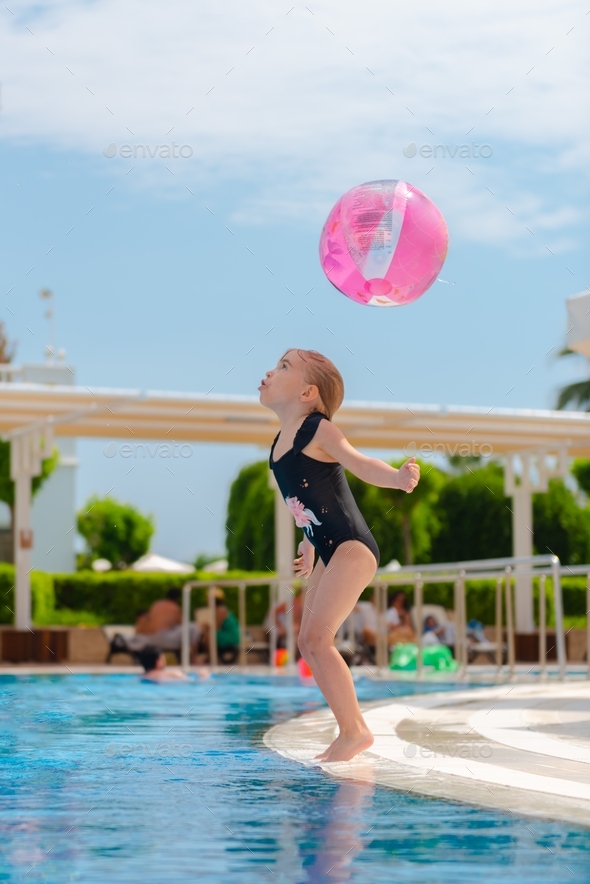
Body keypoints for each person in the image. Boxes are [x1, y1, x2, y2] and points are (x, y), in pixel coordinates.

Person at [260, 348, 420, 762]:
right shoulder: (279, 445)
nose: (269, 371)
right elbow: (309, 500)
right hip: (329, 550)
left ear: (307, 392)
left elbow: (359, 463)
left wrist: (398, 480)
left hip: (351, 548)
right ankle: (349, 729)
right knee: (305, 641)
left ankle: (355, 731)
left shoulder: (319, 429)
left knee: (318, 638)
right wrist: (308, 543)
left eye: (283, 367)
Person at [196, 589, 241, 664]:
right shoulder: (218, 609)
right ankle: (209, 657)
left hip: (230, 636)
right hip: (225, 634)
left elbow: (216, 626)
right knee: (206, 634)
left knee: (208, 635)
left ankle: (212, 659)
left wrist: (205, 626)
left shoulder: (221, 610)